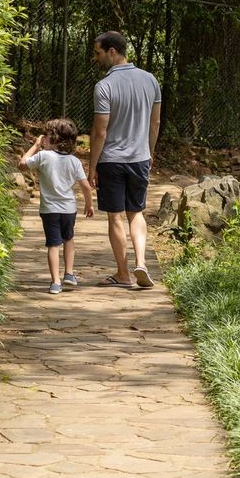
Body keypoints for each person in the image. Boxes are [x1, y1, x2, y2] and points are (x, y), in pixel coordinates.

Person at [89, 31, 161, 289]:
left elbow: (100, 132)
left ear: (111, 52)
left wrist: (92, 167)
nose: (95, 58)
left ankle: (123, 274)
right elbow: (155, 123)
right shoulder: (150, 80)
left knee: (115, 216)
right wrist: (149, 152)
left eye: (98, 53)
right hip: (140, 158)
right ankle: (141, 262)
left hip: (111, 160)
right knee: (136, 212)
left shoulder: (104, 86)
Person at [19, 119, 94, 295]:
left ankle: (55, 282)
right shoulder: (74, 161)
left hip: (49, 210)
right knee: (69, 239)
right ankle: (69, 273)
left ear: (52, 139)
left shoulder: (43, 156)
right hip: (69, 209)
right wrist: (89, 204)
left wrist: (36, 146)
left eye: (46, 136)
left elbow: (22, 164)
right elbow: (85, 186)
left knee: (53, 245)